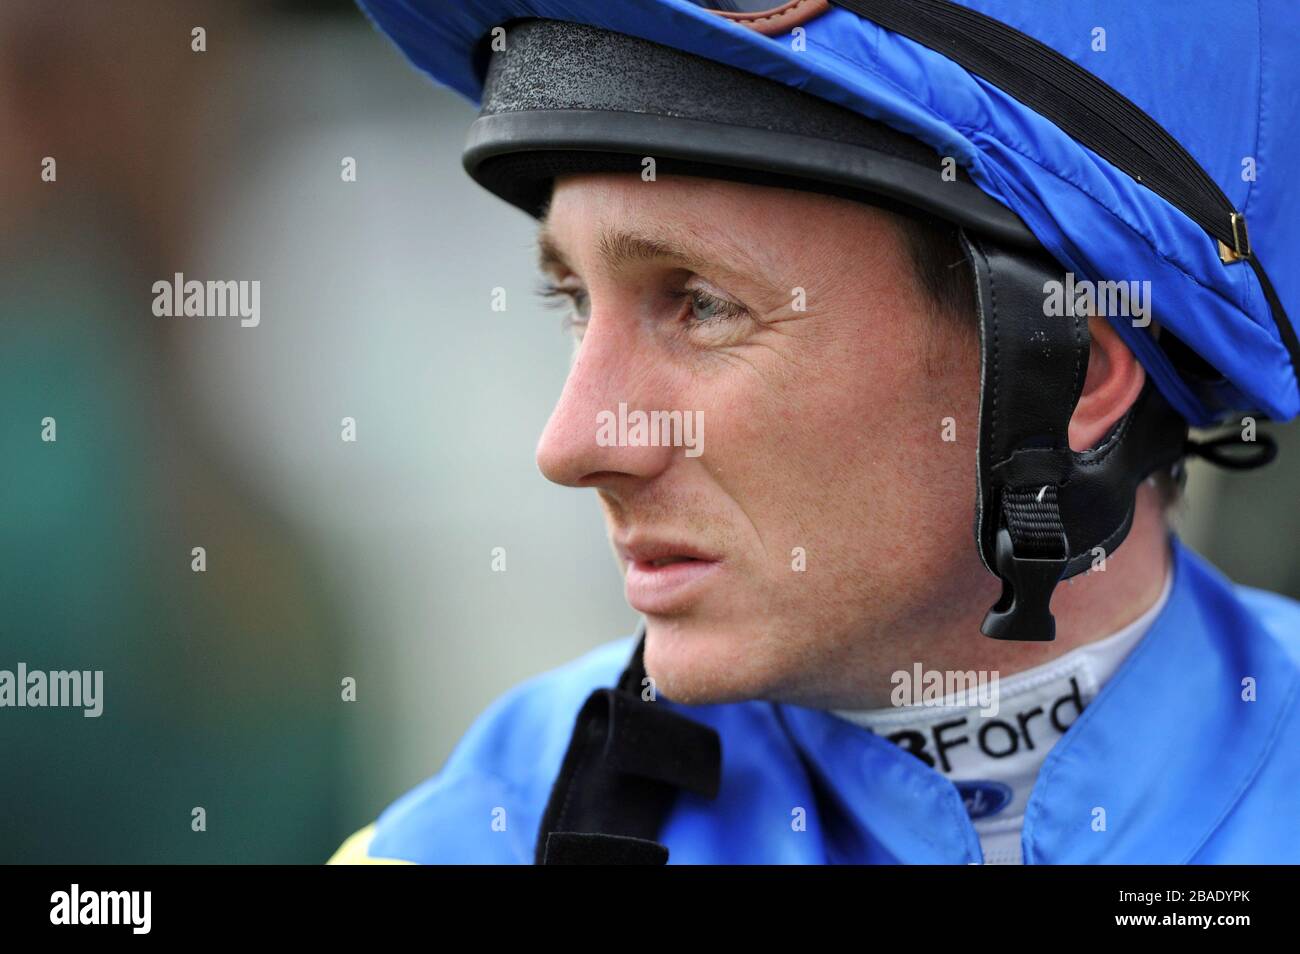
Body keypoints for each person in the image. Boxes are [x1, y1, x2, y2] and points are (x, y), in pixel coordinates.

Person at [330, 1, 1300, 864]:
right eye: (573, 302)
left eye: (703, 307)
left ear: (1072, 373)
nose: (574, 443)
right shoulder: (470, 837)